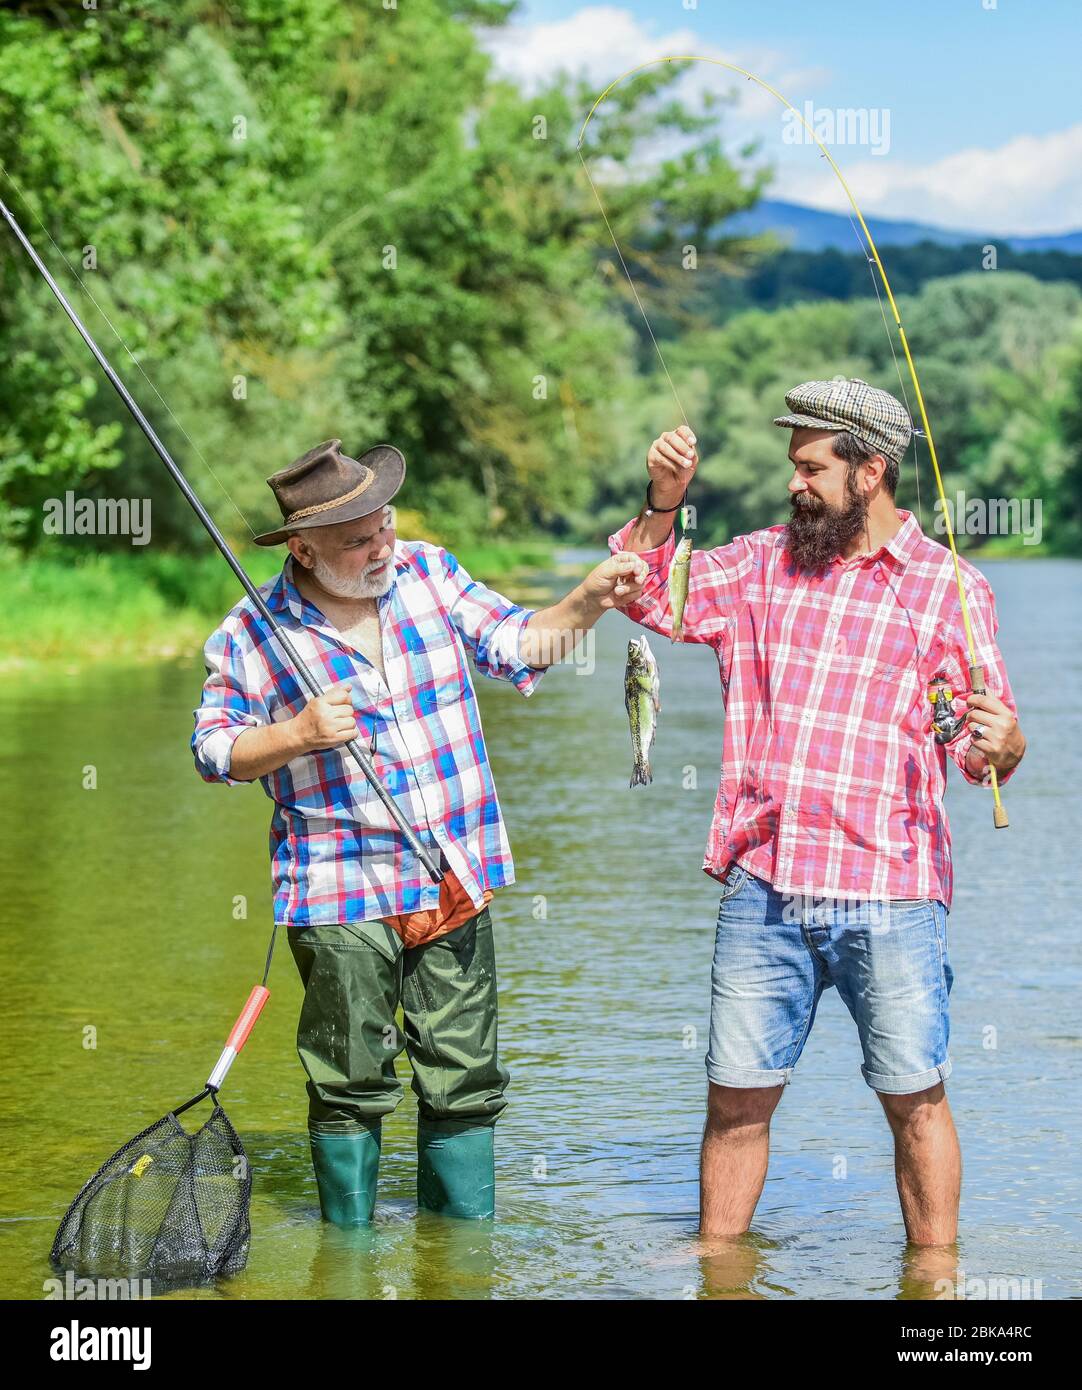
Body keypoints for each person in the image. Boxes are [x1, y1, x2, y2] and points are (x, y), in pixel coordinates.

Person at [608, 378, 1026, 1245]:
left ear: (869, 472)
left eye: (810, 467)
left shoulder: (950, 590)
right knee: (734, 1102)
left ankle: (936, 1290)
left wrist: (1002, 748)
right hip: (764, 887)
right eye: (792, 466)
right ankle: (719, 1272)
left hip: (894, 889)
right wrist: (662, 504)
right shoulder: (760, 563)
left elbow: (975, 747)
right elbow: (639, 595)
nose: (793, 483)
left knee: (916, 1101)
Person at [192, 438, 648, 1225]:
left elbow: (516, 646)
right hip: (337, 888)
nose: (381, 548)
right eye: (356, 541)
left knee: (465, 1079)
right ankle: (351, 1258)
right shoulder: (252, 630)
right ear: (301, 548)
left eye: (385, 526)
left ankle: (461, 1256)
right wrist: (294, 733)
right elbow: (212, 750)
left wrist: (592, 598)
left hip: (451, 870)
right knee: (348, 1082)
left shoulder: (429, 572)